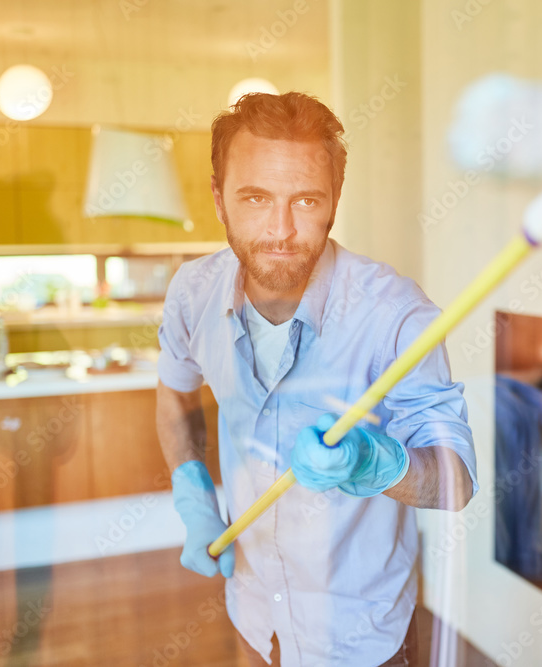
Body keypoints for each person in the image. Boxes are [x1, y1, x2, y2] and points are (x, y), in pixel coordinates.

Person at [155, 91, 477, 666]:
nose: (281, 230)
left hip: (362, 635)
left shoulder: (398, 315)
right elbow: (175, 397)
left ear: (334, 202)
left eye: (305, 199)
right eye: (255, 197)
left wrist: (375, 464)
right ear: (218, 198)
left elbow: (455, 481)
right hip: (253, 616)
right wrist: (193, 494)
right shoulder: (192, 293)